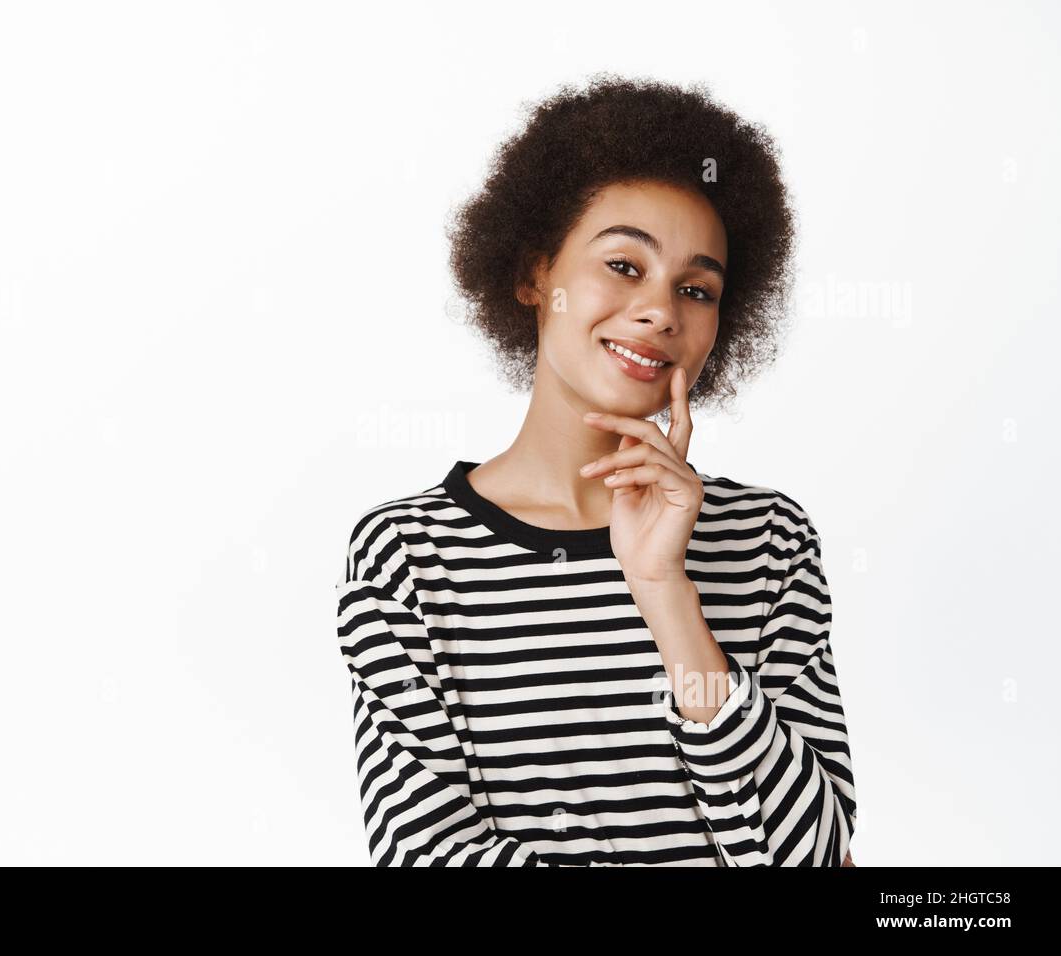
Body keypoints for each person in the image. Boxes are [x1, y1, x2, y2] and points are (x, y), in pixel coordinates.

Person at [334, 74, 858, 866]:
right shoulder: (410, 556)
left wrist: (664, 592)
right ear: (534, 276)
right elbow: (428, 856)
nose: (661, 310)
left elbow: (814, 856)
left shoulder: (768, 542)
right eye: (623, 266)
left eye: (695, 288)